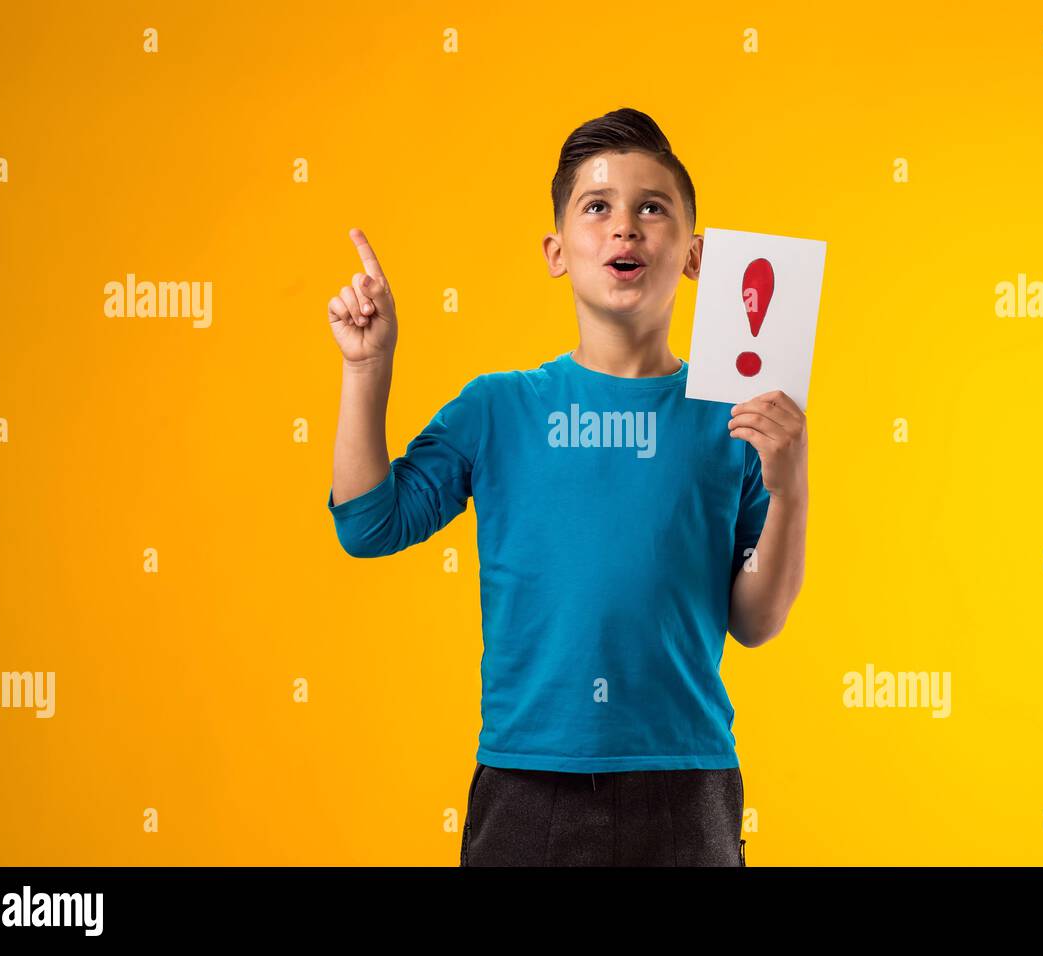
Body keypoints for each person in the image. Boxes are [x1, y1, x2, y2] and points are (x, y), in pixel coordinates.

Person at [324, 107, 809, 866]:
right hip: (527, 786)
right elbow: (368, 526)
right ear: (556, 251)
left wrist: (791, 488)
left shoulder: (739, 418)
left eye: (653, 208)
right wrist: (366, 369)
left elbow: (755, 620)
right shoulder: (497, 408)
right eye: (598, 206)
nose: (626, 228)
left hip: (685, 786)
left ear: (694, 255)